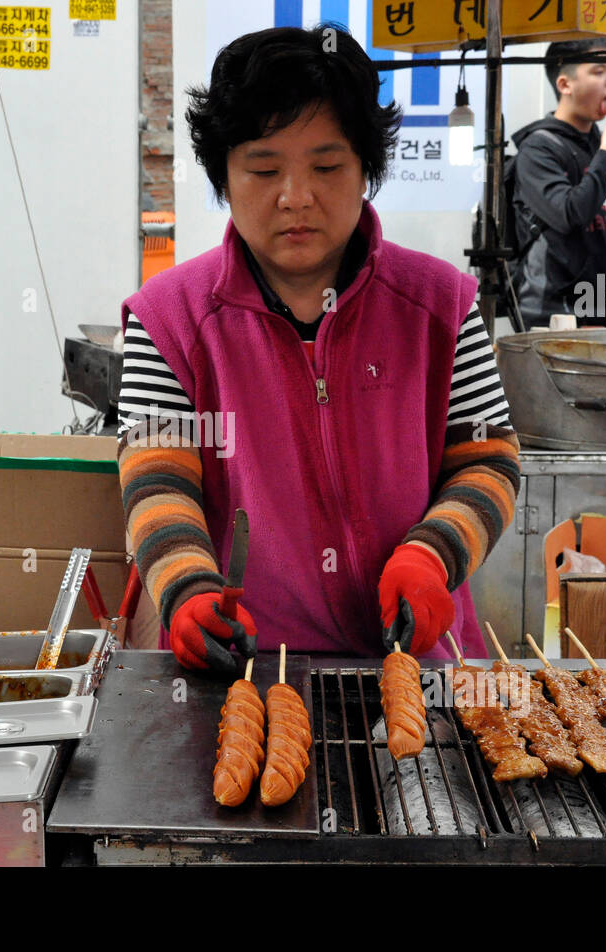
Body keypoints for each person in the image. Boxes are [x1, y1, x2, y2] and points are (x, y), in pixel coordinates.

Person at [116, 26, 520, 671]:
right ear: (224, 172)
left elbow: (488, 460)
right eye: (264, 168)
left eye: (327, 167)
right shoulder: (171, 318)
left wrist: (432, 555)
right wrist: (188, 589)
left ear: (367, 169)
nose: (296, 198)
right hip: (241, 671)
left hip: (413, 664)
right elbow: (158, 479)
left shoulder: (441, 304)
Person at [510, 37, 606, 328]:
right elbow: (569, 214)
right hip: (554, 321)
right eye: (598, 71)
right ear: (565, 85)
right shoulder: (538, 148)